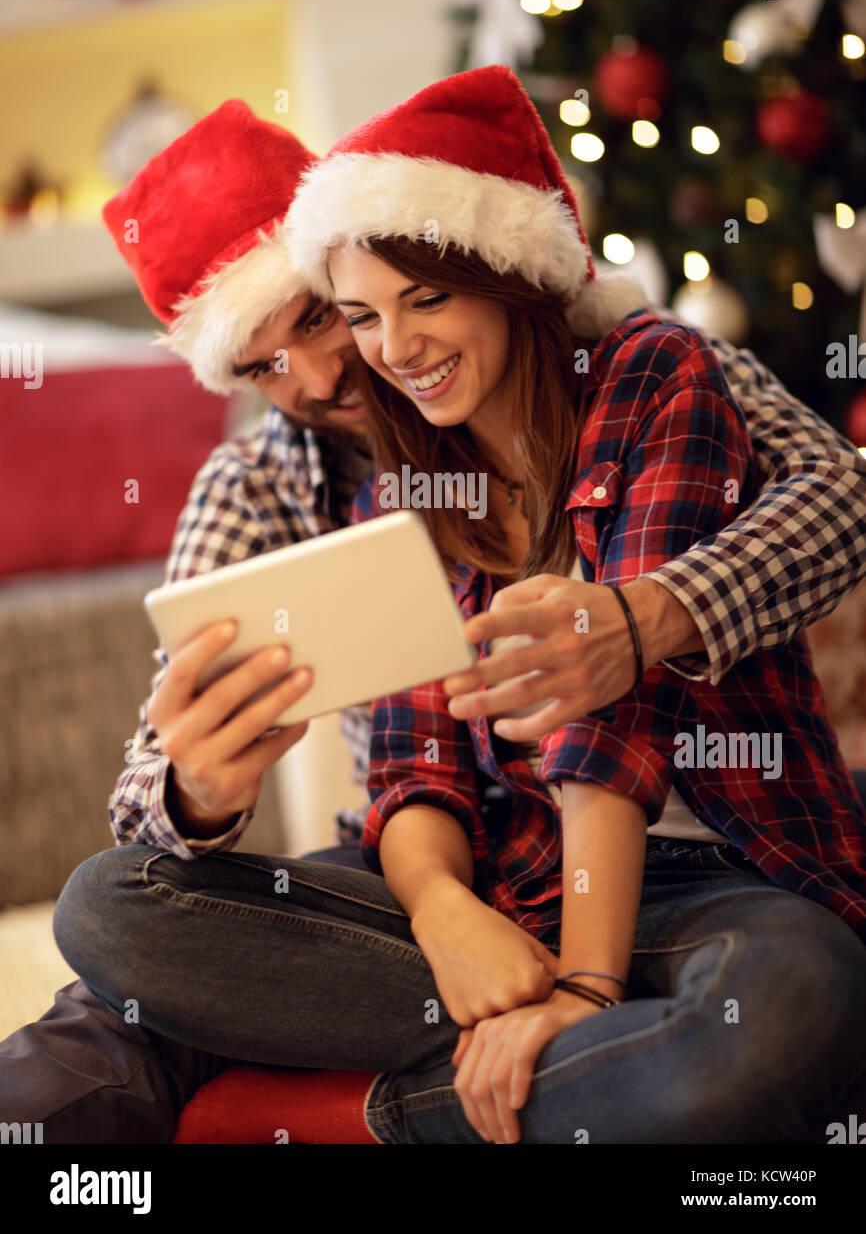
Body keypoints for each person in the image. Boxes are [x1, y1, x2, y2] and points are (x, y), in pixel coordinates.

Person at [2, 80, 865, 1143]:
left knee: (790, 1004)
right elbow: (383, 764)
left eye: (326, 318)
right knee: (112, 925)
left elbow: (837, 500)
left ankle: (393, 1109)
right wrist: (198, 787)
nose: (339, 367)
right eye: (271, 359)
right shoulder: (314, 481)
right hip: (443, 868)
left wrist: (647, 616)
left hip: (678, 860)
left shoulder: (641, 367)